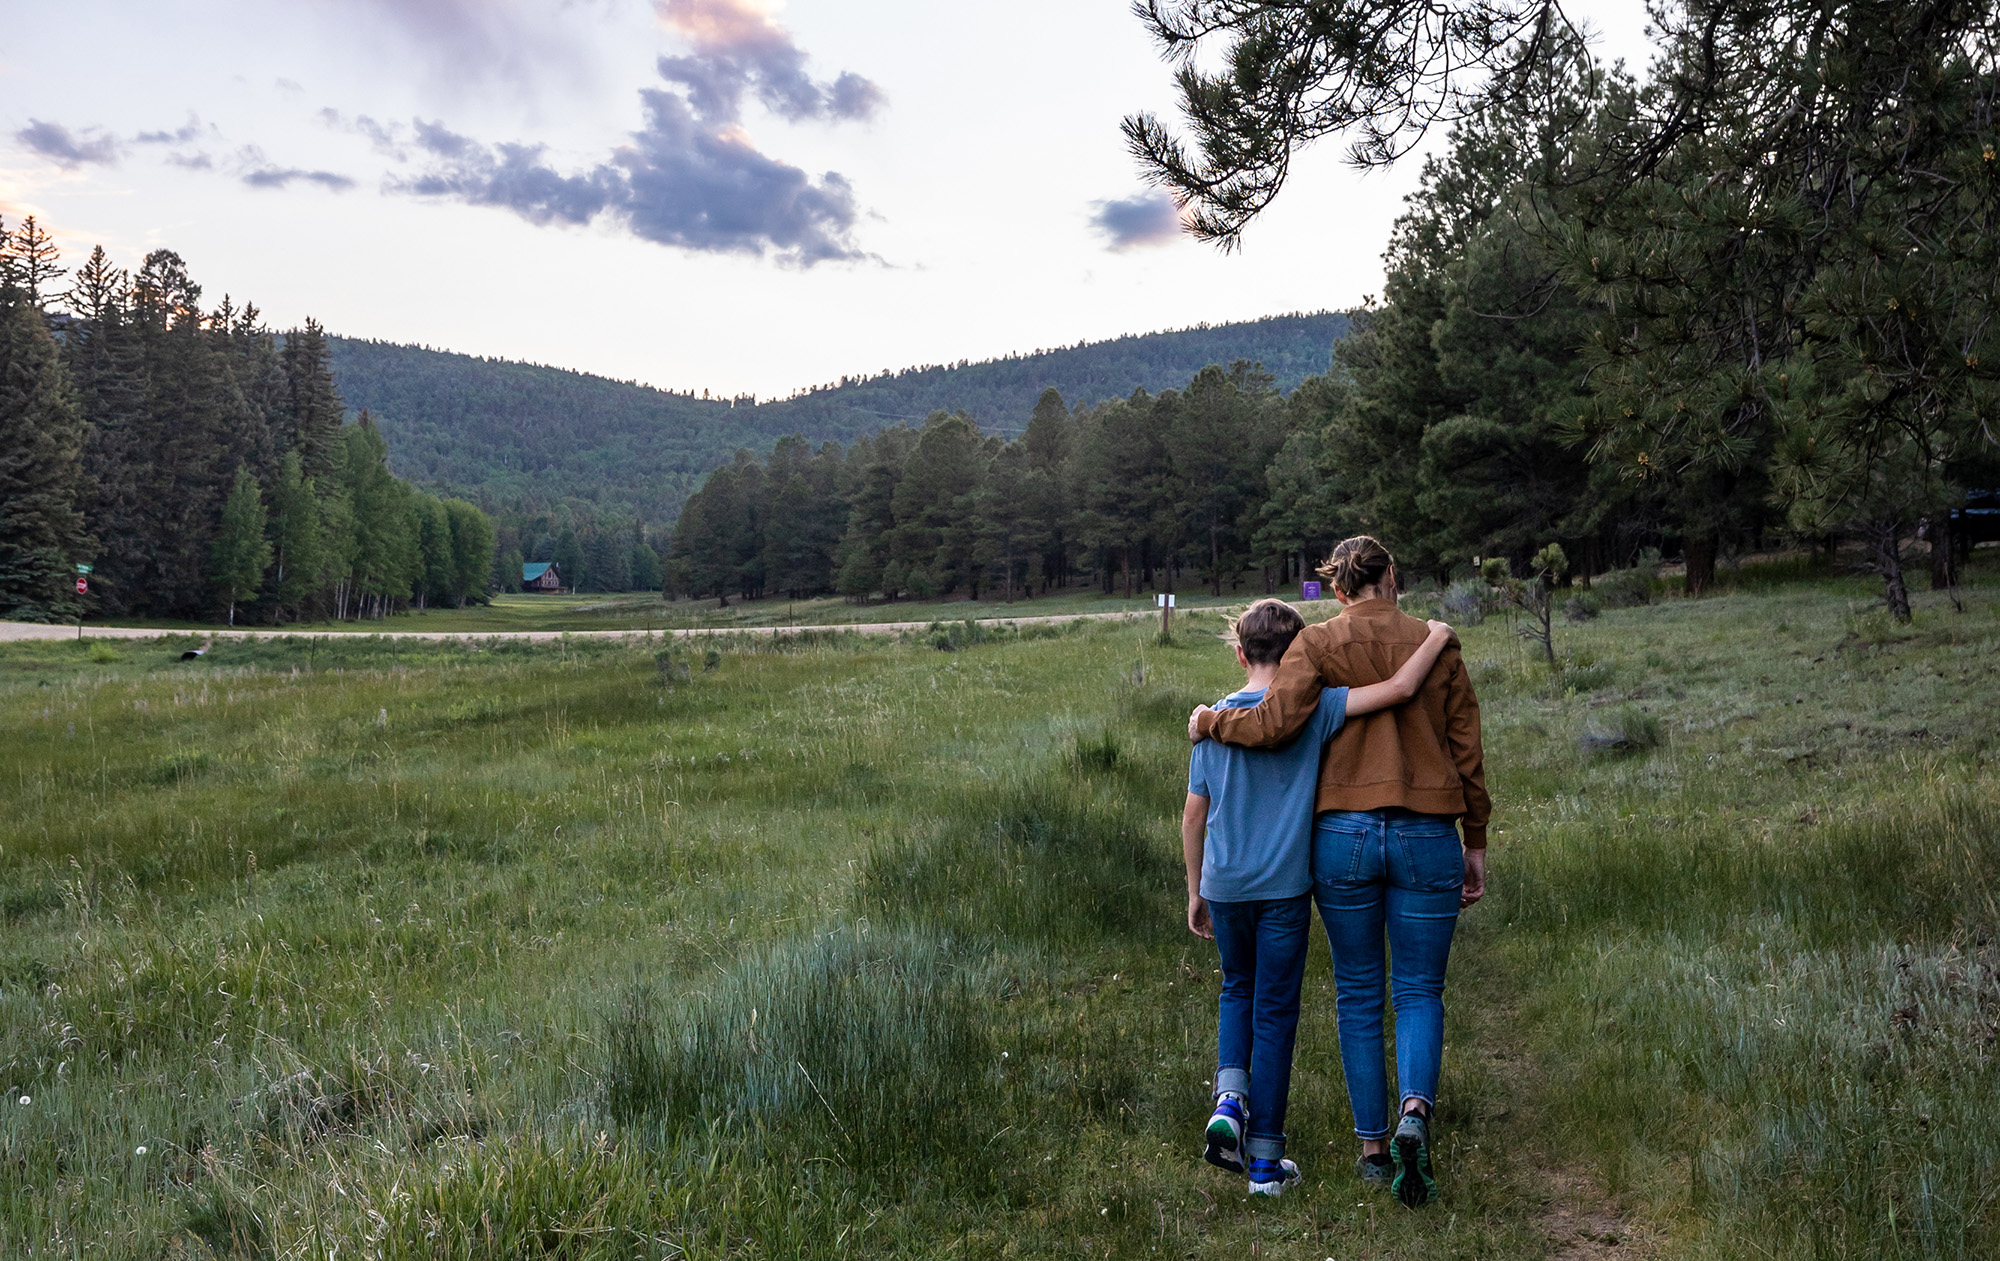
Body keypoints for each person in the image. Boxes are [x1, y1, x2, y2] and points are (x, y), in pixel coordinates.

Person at [1188, 536, 1489, 1209]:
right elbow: (1466, 748)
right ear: (1391, 575)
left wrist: (1211, 722)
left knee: (1357, 992)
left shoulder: (1317, 643)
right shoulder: (1436, 642)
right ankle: (1416, 1110)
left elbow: (1270, 722)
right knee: (1420, 988)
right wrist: (1475, 839)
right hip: (1427, 831)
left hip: (1342, 837)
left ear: (1338, 587)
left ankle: (1374, 1151)